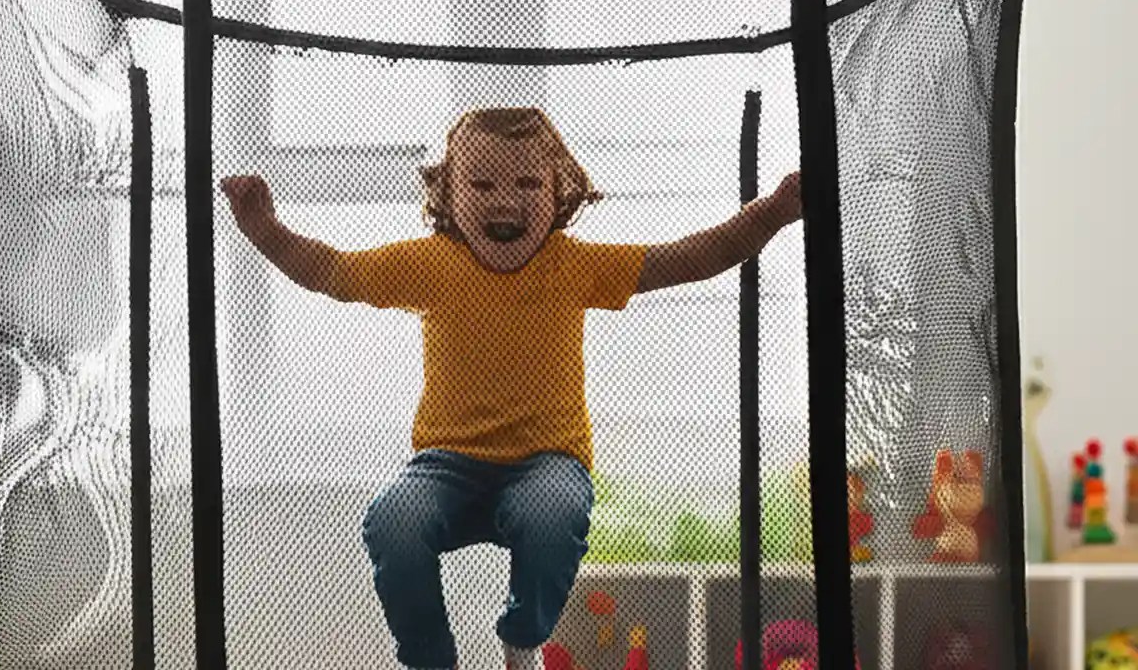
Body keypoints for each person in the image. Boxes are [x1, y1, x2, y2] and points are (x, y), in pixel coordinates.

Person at [221, 107, 801, 670]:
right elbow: (334, 273)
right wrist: (266, 230)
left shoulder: (571, 265)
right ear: (449, 196)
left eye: (528, 181)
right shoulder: (431, 263)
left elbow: (685, 260)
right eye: (482, 183)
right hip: (446, 467)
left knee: (553, 511)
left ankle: (522, 642)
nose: (506, 199)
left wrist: (772, 212)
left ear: (559, 193)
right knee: (393, 520)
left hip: (544, 464)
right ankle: (430, 661)